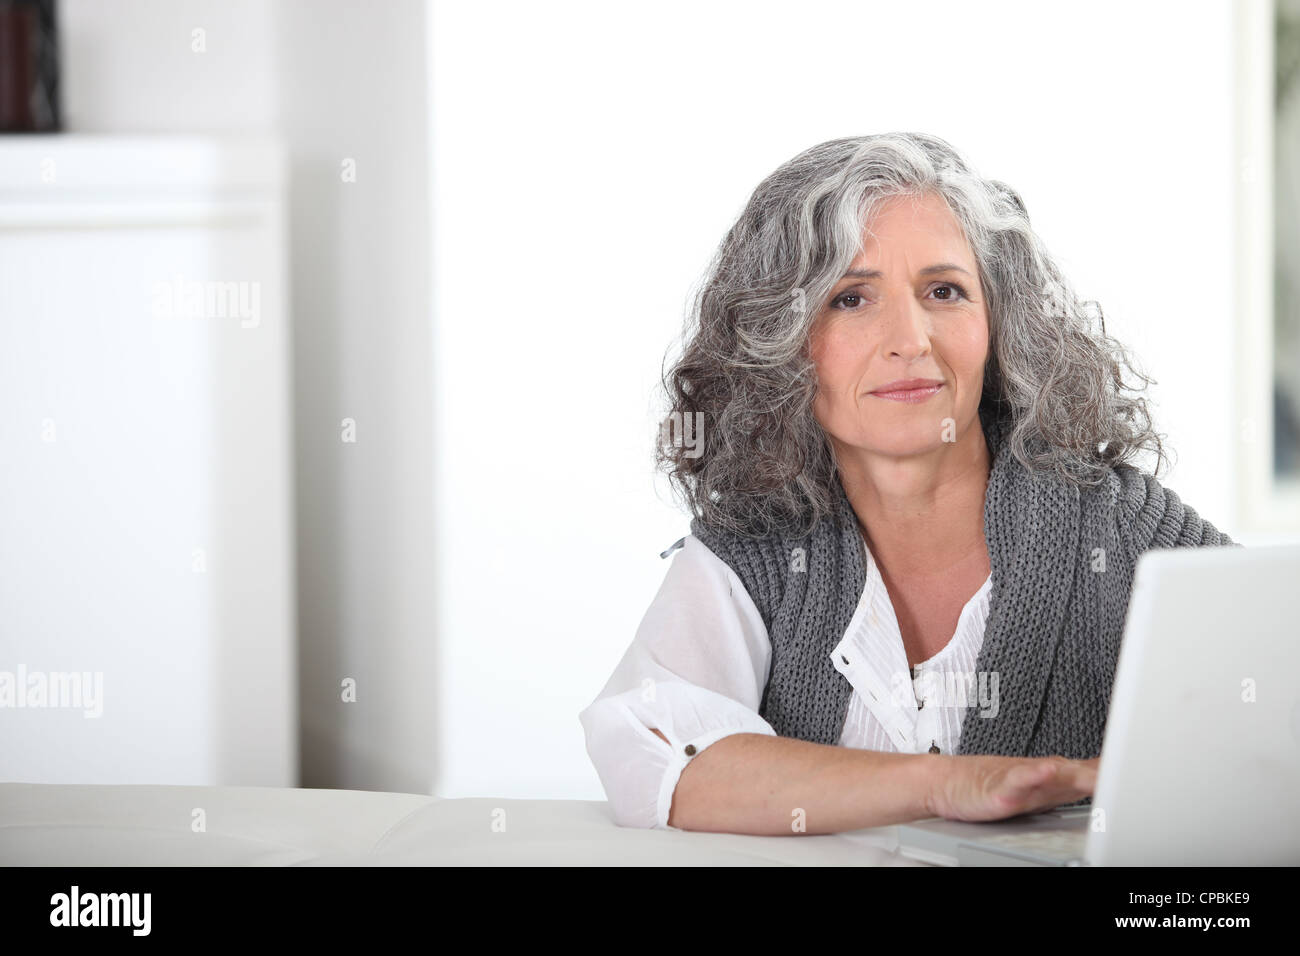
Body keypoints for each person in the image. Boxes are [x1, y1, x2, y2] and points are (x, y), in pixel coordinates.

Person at [578, 132, 1237, 836]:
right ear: (779, 339)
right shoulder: (755, 547)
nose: (911, 340)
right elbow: (655, 756)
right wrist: (947, 785)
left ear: (998, 324)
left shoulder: (1119, 528)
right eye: (851, 299)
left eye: (944, 291)